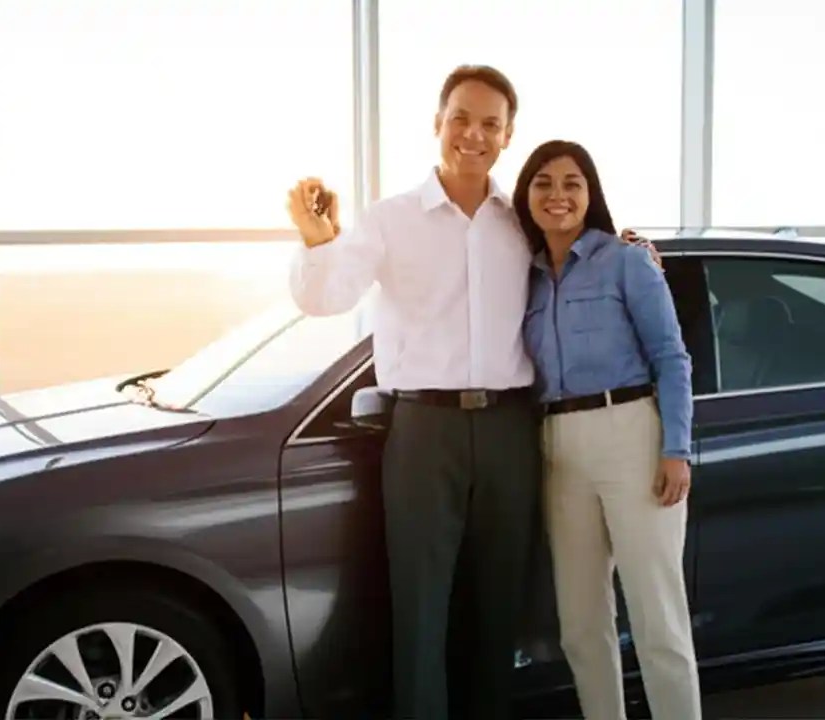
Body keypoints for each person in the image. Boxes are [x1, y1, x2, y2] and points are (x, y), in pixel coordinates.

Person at [285, 64, 541, 720]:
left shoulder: (522, 224)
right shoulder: (390, 220)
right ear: (437, 124)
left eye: (490, 124)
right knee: (420, 608)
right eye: (461, 118)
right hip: (424, 434)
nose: (472, 135)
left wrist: (632, 252)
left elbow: (583, 273)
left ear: (508, 136)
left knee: (496, 609)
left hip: (513, 431)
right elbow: (325, 298)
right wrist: (318, 240)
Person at [512, 139, 701, 720]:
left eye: (572, 182)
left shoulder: (626, 261)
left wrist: (676, 449)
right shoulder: (526, 278)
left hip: (632, 437)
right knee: (580, 622)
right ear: (526, 197)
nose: (558, 195)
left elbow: (672, 357)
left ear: (590, 193)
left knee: (657, 617)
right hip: (557, 449)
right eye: (543, 183)